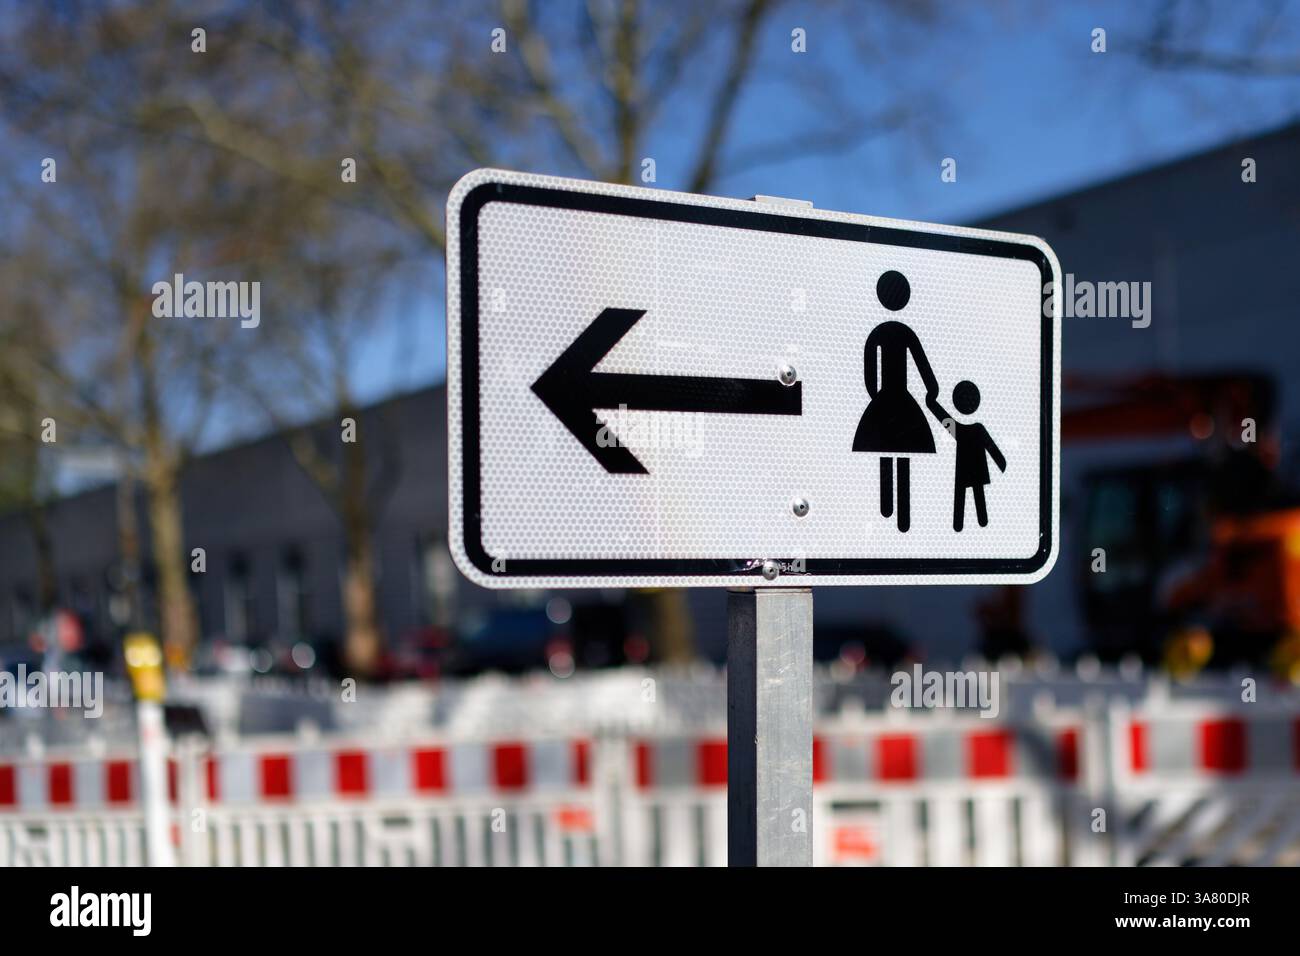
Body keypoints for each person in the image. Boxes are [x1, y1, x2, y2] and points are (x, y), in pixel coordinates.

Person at [852, 270, 946, 532]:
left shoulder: (881, 332)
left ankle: (893, 513)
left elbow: (870, 374)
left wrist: (877, 399)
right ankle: (894, 515)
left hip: (886, 400)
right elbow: (923, 368)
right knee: (897, 451)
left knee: (893, 451)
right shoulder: (900, 332)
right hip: (899, 400)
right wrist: (932, 390)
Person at [947, 380, 1006, 531]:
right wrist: (1001, 463)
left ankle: (965, 525)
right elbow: (992, 448)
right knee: (970, 496)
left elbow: (991, 447)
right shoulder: (968, 429)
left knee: (971, 497)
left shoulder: (960, 429)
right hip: (975, 469)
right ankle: (963, 526)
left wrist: (1002, 464)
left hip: (969, 469)